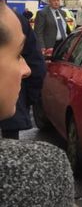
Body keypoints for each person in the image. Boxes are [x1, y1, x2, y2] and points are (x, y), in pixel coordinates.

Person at [0, 0, 74, 207]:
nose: (24, 68)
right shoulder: (42, 169)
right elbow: (35, 55)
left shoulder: (58, 15)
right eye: (16, 54)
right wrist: (32, 98)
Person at [0, 9, 45, 139]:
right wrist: (28, 98)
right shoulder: (14, 20)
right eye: (16, 56)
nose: (26, 70)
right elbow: (36, 65)